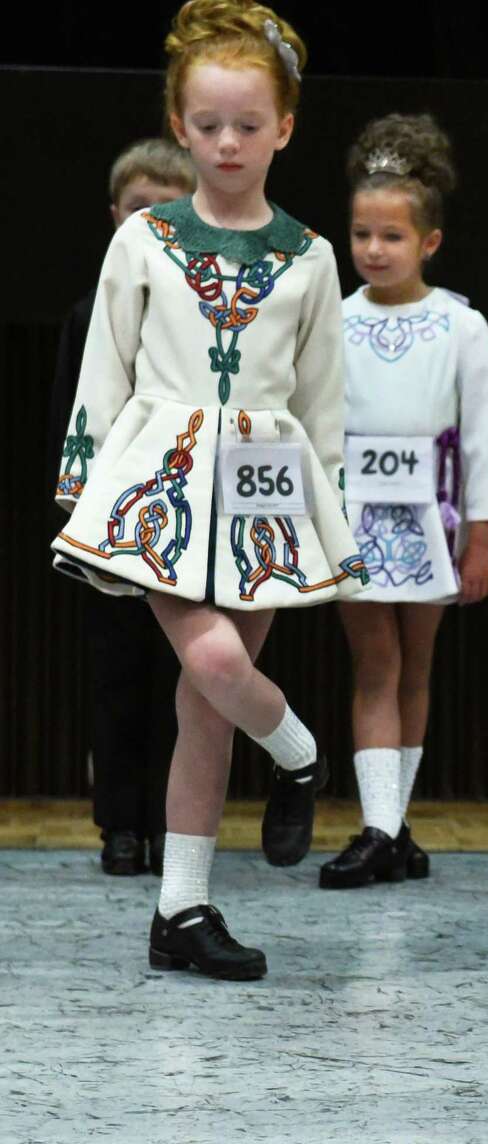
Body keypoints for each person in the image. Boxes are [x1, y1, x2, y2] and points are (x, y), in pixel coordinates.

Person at [50, 0, 366, 979]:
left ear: (286, 126)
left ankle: (181, 910)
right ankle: (306, 755)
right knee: (219, 660)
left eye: (248, 124)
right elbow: (107, 363)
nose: (228, 143)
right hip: (161, 477)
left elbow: (323, 399)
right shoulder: (143, 240)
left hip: (269, 488)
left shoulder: (312, 258)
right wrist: (83, 478)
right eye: (208, 125)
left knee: (205, 704)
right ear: (179, 125)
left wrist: (334, 510)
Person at [321, 112, 488, 890]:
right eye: (362, 235)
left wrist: (481, 536)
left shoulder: (459, 325)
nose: (374, 250)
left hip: (434, 521)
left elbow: (484, 437)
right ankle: (381, 828)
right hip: (357, 518)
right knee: (374, 662)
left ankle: (392, 825)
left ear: (430, 242)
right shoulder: (334, 321)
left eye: (392, 237)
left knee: (416, 665)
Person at [48, 138, 196, 878]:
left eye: (171, 209)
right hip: (110, 524)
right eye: (142, 208)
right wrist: (76, 512)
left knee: (186, 678)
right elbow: (71, 420)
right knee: (117, 676)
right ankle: (120, 826)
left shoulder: (207, 323)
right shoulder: (87, 314)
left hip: (184, 525)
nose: (154, 222)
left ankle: (176, 825)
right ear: (115, 216)